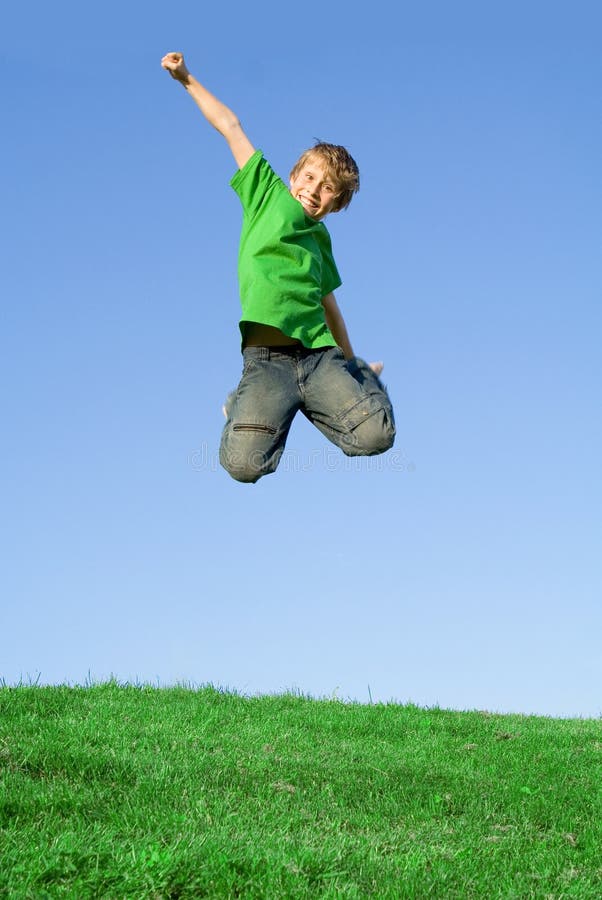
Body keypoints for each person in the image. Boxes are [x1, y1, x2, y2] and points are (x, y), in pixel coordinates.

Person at [161, 52, 395, 483]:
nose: (314, 191)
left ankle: (362, 377)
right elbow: (230, 126)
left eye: (328, 189)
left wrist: (352, 362)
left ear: (336, 204)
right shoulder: (266, 195)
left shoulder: (320, 241)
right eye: (309, 178)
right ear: (293, 176)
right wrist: (186, 78)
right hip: (267, 361)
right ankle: (243, 404)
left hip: (320, 360)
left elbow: (330, 307)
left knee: (376, 435)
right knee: (242, 467)